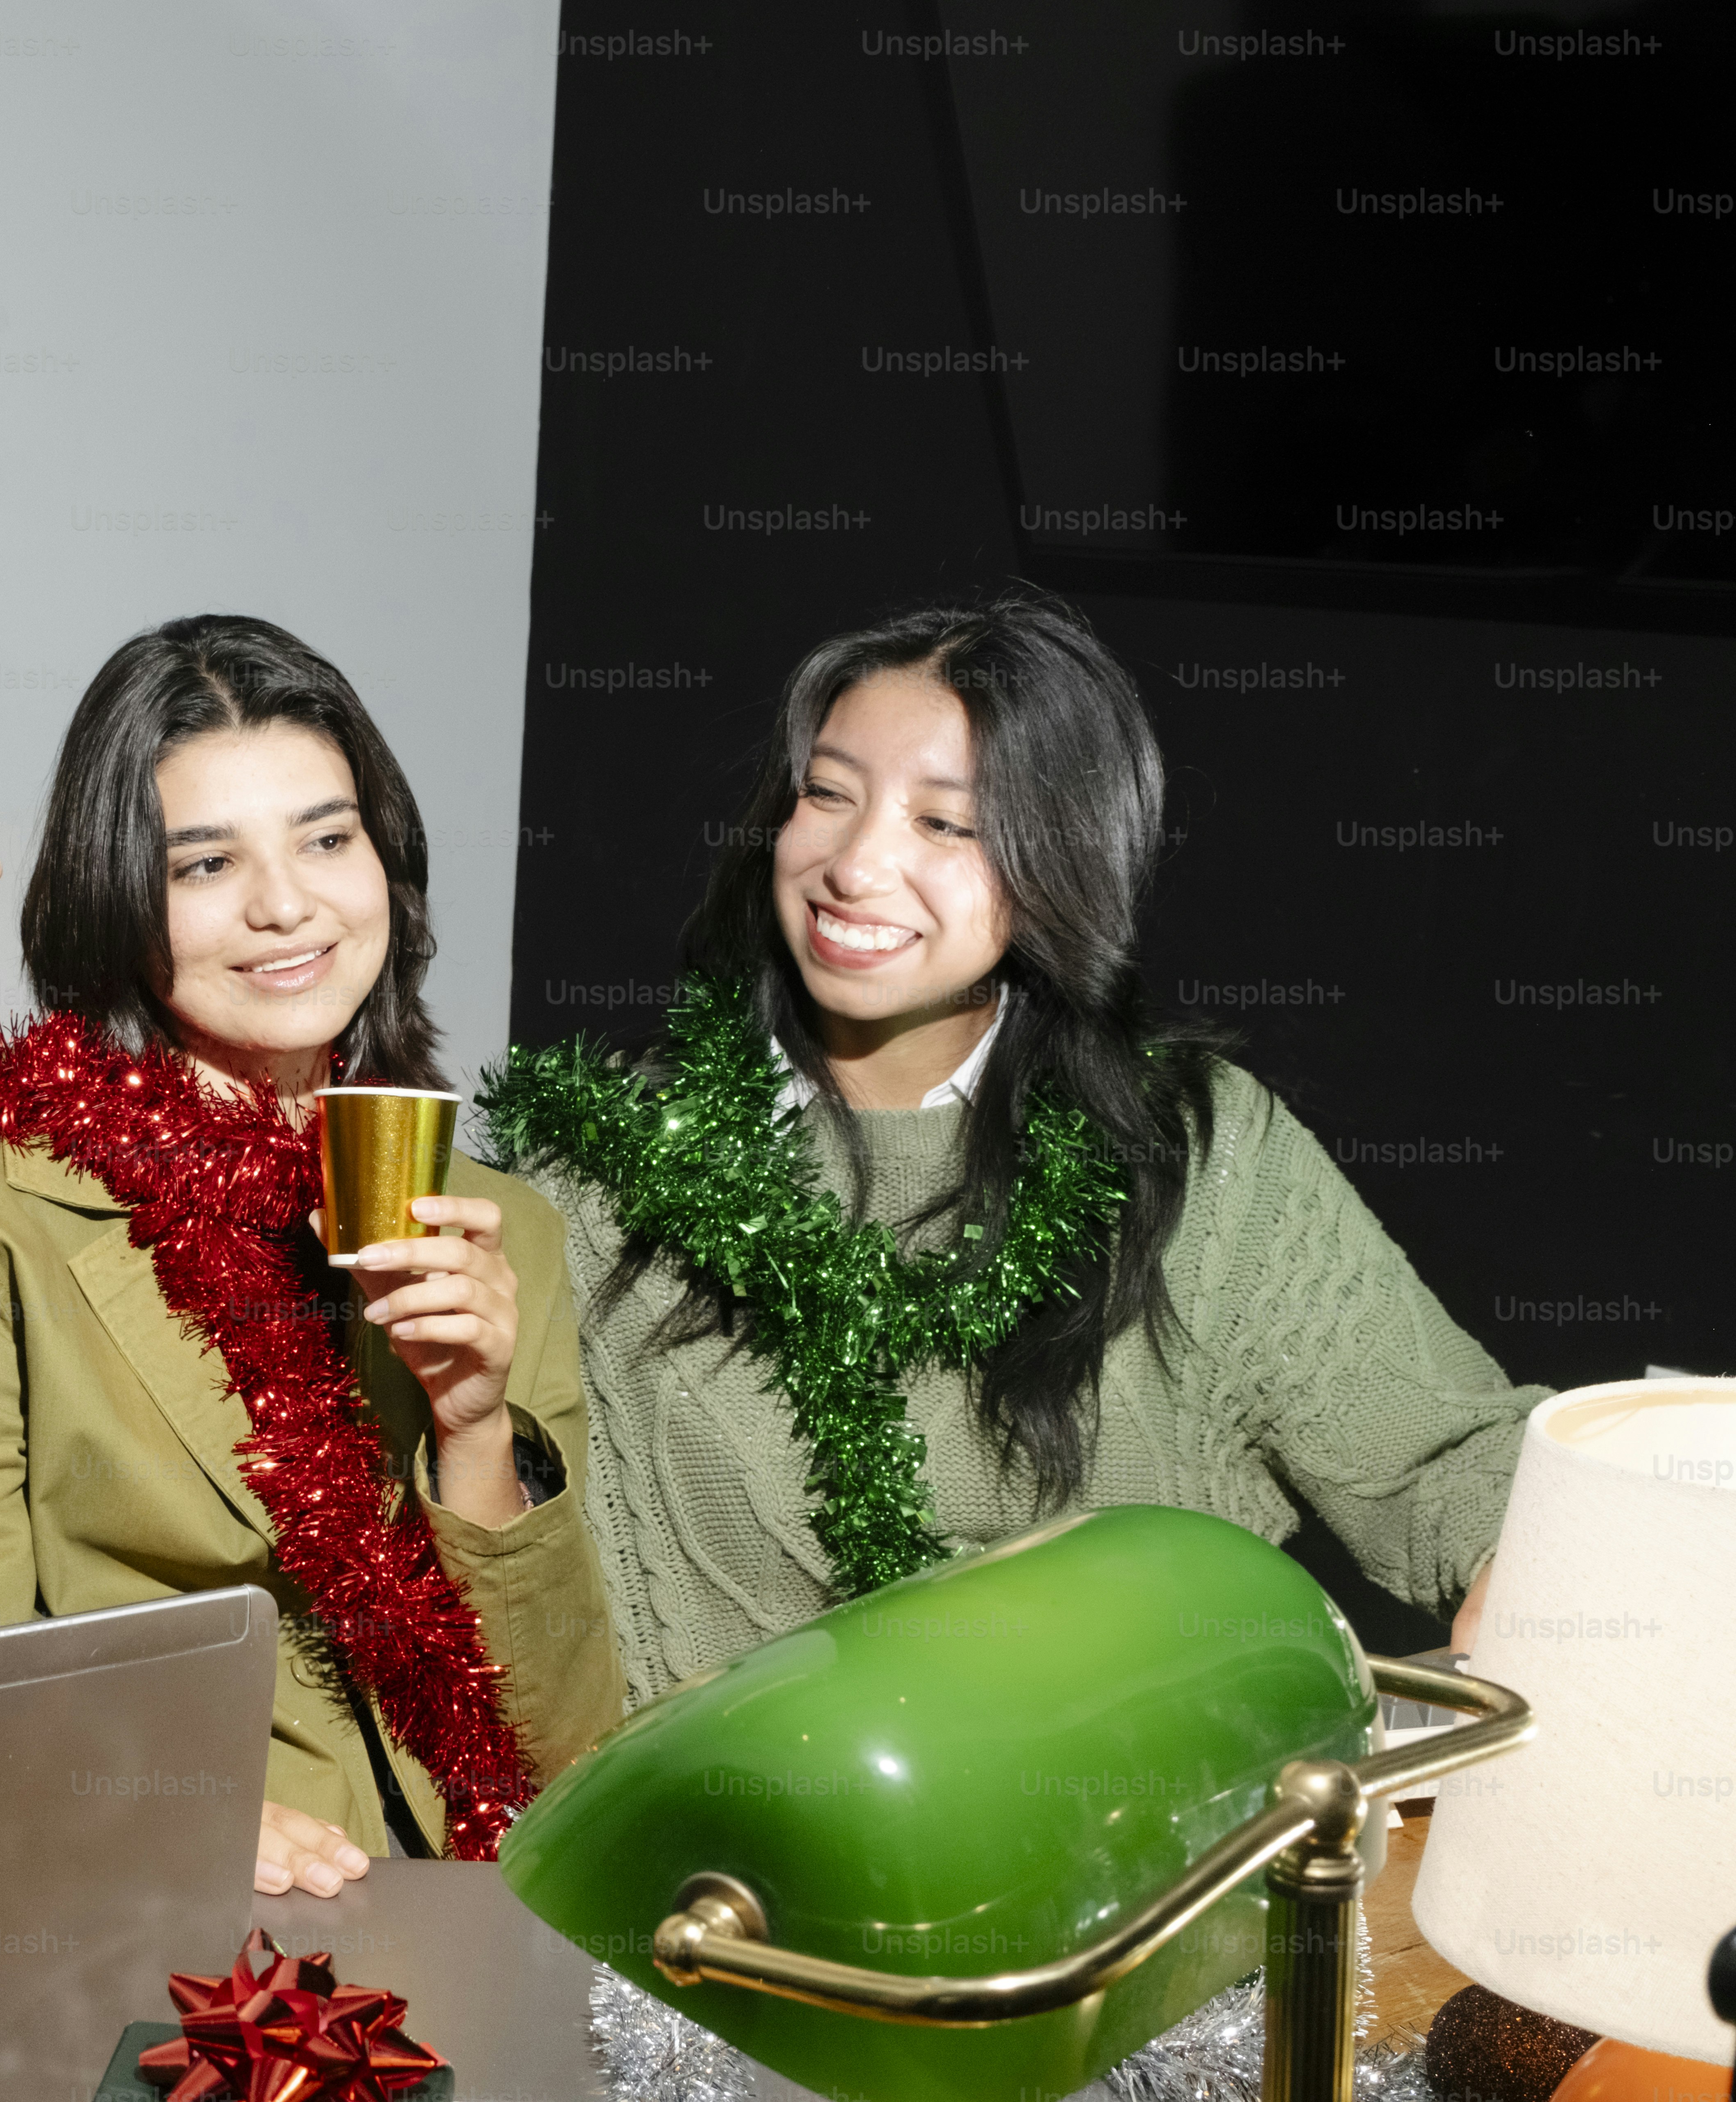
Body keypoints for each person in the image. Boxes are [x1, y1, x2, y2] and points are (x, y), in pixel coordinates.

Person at [477, 593, 1536, 1703]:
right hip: (720, 1854)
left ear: (1057, 867)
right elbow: (498, 1589)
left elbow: (1451, 1463)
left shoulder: (1197, 1151)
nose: (856, 865)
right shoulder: (606, 1165)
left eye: (947, 824)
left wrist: (1540, 1574)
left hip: (1145, 1853)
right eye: (829, 794)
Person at [0, 615, 619, 1897]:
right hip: (164, 1931)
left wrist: (479, 1426)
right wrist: (166, 1818)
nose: (287, 905)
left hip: (495, 1919)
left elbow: (566, 1747)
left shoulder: (499, 1226)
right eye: (206, 863)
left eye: (330, 839)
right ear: (116, 896)